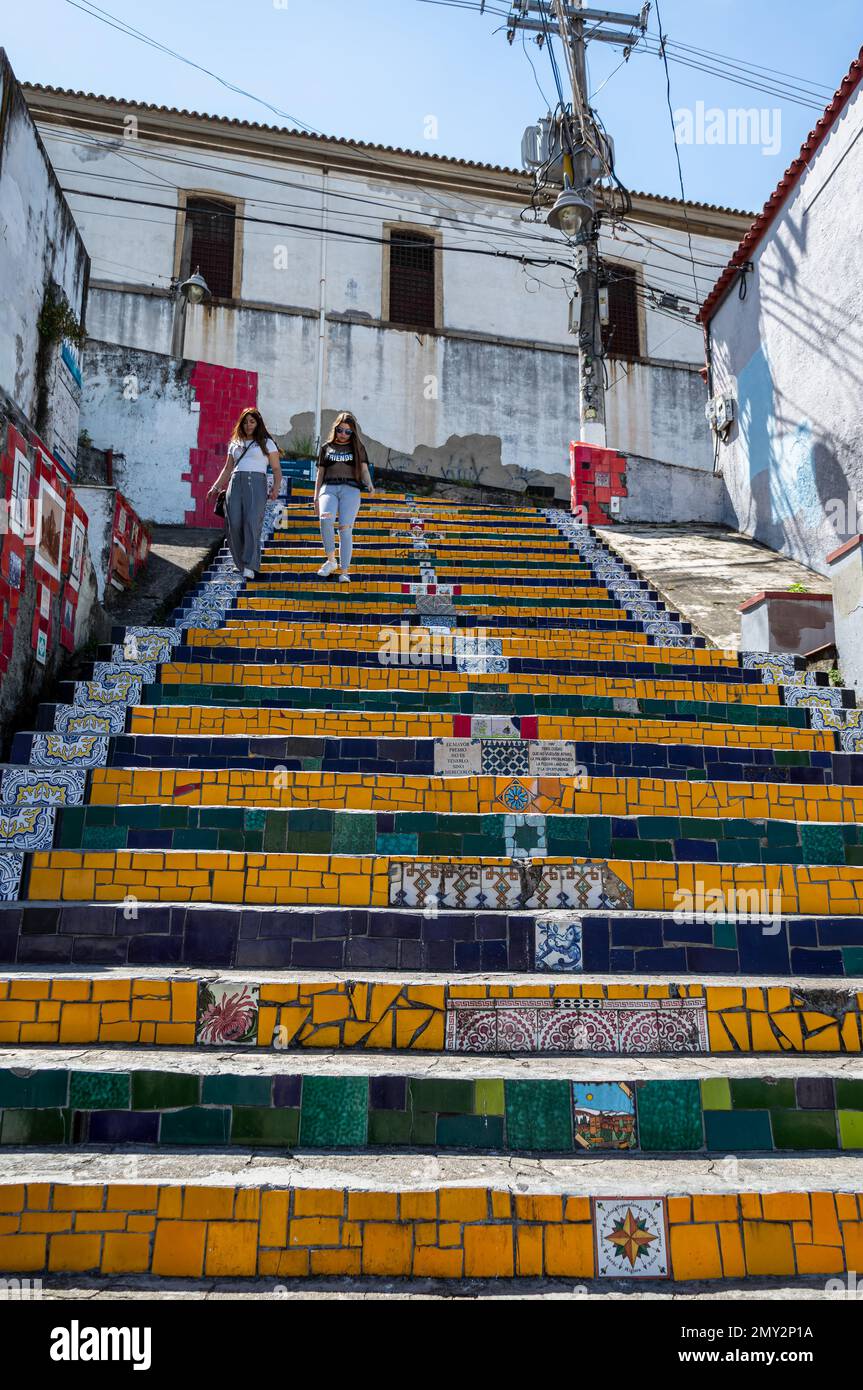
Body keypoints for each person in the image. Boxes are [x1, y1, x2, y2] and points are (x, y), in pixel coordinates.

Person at [207, 408, 282, 578]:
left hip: (256, 483)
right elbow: (227, 469)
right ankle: (240, 563)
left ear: (258, 423)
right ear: (241, 423)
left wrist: (275, 487)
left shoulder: (266, 443)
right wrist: (216, 487)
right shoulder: (235, 442)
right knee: (234, 524)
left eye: (252, 421)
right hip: (235, 484)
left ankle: (250, 564)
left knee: (251, 522)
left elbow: (277, 469)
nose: (249, 425)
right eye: (246, 421)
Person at [314, 412, 375, 582]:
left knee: (345, 529)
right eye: (341, 430)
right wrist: (315, 496)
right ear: (336, 429)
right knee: (325, 519)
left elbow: (363, 470)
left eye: (348, 432)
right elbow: (320, 474)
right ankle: (331, 560)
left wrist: (369, 483)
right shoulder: (326, 447)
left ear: (353, 432)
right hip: (329, 487)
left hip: (351, 488)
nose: (343, 434)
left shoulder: (358, 448)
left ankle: (345, 571)